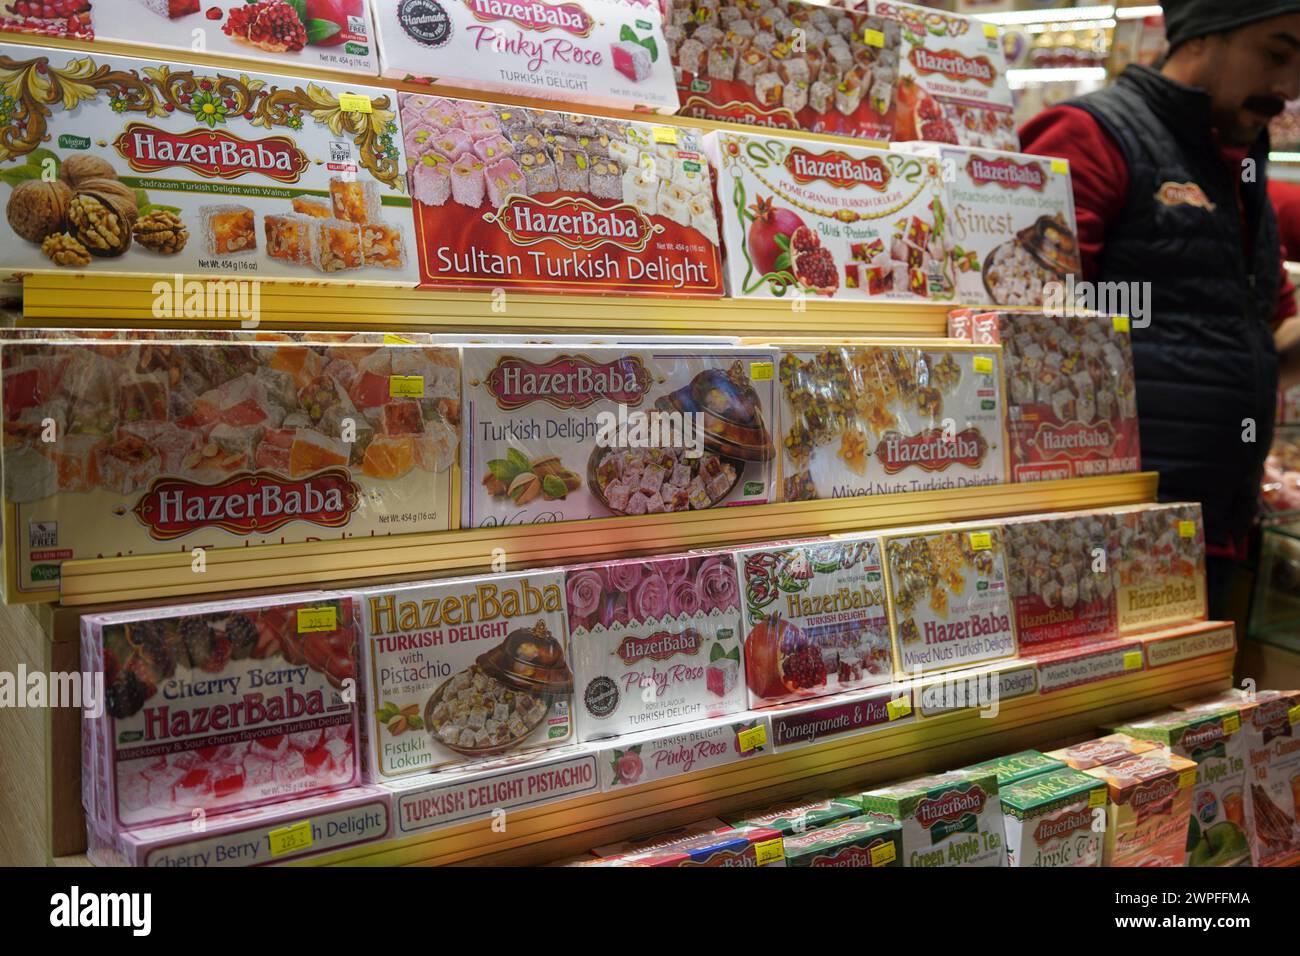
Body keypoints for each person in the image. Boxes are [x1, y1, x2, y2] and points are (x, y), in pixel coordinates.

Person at [1019, 0, 1300, 619]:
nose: (1289, 87)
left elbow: (1259, 340)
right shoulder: (1087, 135)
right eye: (1277, 54)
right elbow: (1026, 343)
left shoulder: (1237, 161)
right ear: (1203, 36)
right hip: (1106, 538)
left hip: (1214, 529)